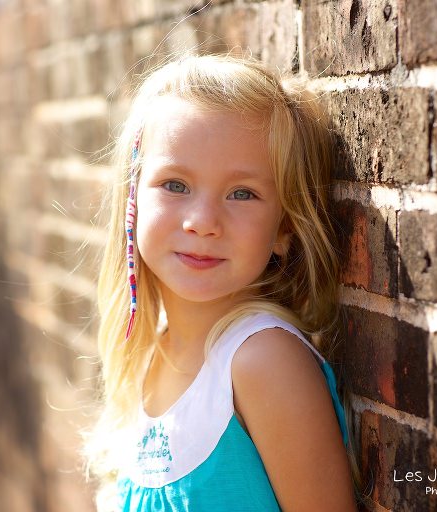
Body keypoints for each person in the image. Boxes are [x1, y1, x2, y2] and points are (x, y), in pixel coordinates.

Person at [83, 54, 359, 511]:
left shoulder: (263, 361)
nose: (202, 222)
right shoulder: (150, 356)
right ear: (133, 201)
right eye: (175, 185)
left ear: (284, 230)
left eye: (242, 194)